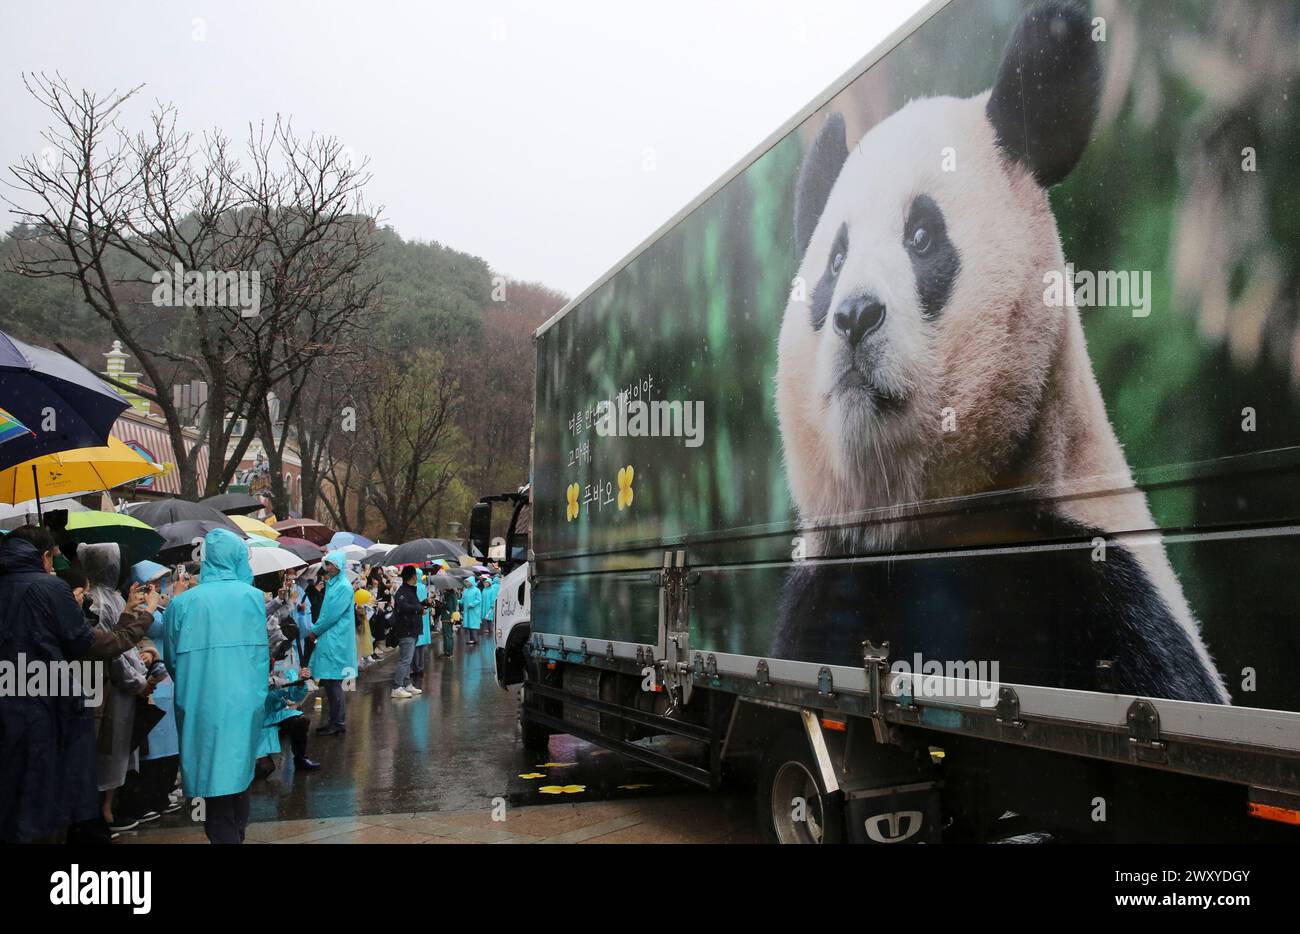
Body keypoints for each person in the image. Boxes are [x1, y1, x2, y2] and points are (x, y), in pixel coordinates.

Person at [0, 526, 154, 844]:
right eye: (52, 557)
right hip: (44, 707)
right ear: (43, 555)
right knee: (42, 793)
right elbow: (84, 642)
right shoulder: (50, 588)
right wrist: (139, 620)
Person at [162, 528, 269, 844]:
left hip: (200, 704)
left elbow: (171, 658)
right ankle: (237, 834)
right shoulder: (252, 598)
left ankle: (226, 837)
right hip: (245, 702)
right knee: (239, 775)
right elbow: (260, 656)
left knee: (211, 780)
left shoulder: (181, 605)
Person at [306, 551, 357, 736]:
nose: (327, 568)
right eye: (326, 564)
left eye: (330, 564)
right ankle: (334, 720)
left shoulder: (342, 586)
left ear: (339, 565)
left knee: (334, 681)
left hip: (336, 638)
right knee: (329, 681)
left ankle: (338, 722)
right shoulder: (335, 583)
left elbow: (331, 615)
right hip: (332, 637)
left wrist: (315, 630)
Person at [390, 566, 424, 699]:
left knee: (408, 659)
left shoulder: (410, 590)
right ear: (413, 576)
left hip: (412, 629)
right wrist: (419, 609)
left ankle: (406, 683)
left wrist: (423, 604)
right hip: (406, 630)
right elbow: (404, 606)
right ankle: (397, 686)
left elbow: (412, 605)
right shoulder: (402, 591)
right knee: (405, 660)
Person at [461, 576, 482, 646]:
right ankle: (471, 639)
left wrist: (472, 604)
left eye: (468, 582)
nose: (466, 583)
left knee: (473, 625)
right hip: (467, 610)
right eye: (466, 582)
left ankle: (474, 639)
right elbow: (462, 600)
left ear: (471, 582)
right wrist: (456, 601)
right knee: (469, 625)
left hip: (474, 610)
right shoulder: (465, 590)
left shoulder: (477, 590)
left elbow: (479, 600)